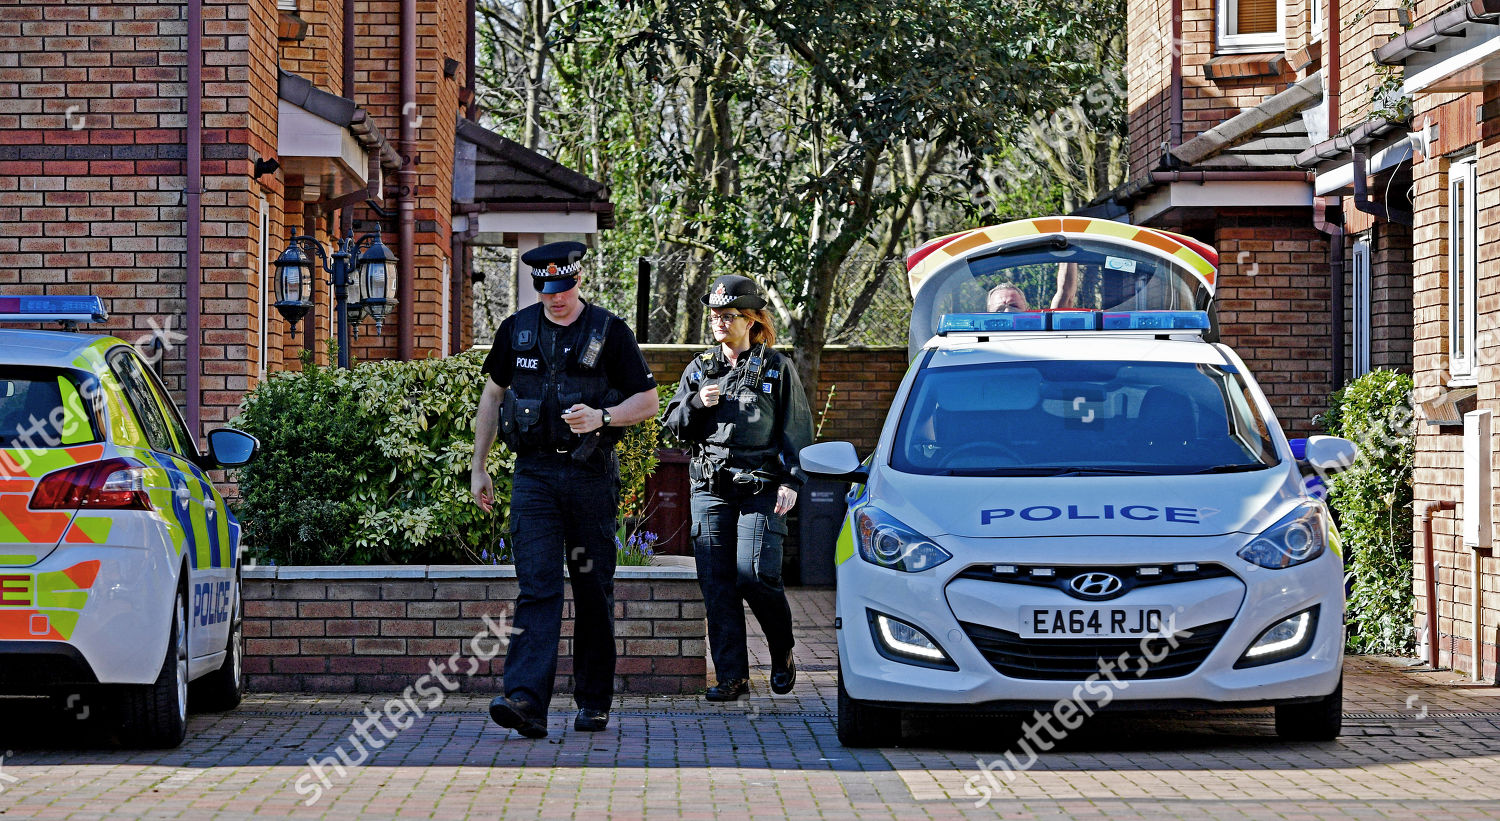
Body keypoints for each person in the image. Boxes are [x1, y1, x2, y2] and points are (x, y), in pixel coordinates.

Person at [470, 240, 660, 738]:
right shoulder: (517, 330)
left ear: (580, 281)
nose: (557, 298)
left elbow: (649, 400)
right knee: (537, 586)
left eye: (565, 288)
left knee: (593, 590)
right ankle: (526, 701)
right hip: (533, 476)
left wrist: (603, 417)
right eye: (546, 289)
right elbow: (493, 395)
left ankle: (593, 701)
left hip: (589, 476)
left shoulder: (609, 331)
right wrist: (479, 465)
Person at [664, 275, 813, 701]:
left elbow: (797, 429)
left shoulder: (775, 368)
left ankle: (782, 651)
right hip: (711, 485)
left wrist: (793, 481)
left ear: (751, 321)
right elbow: (672, 426)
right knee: (717, 583)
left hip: (762, 486)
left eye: (728, 316)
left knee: (755, 576)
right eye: (714, 315)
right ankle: (732, 677)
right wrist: (696, 403)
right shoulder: (699, 369)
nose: (719, 322)